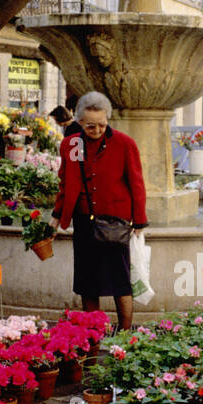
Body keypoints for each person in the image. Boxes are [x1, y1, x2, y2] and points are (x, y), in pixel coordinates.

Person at [50, 90, 147, 331]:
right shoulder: (72, 145)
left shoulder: (125, 144)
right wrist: (54, 219)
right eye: (90, 126)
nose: (97, 130)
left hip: (116, 222)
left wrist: (139, 221)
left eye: (102, 125)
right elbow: (65, 183)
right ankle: (91, 334)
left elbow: (137, 183)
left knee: (121, 282)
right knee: (87, 282)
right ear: (80, 121)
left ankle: (125, 333)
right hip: (83, 221)